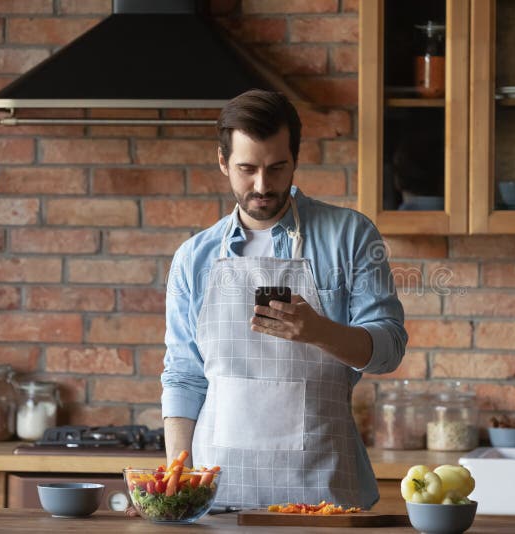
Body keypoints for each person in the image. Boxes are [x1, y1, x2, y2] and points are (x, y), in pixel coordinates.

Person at [161, 89, 407, 510]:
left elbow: (388, 349)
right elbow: (184, 378)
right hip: (216, 499)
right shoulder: (193, 258)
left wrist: (319, 332)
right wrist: (176, 482)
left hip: (323, 499)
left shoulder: (350, 236)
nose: (262, 185)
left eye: (277, 168)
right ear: (223, 162)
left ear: (295, 159)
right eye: (246, 169)